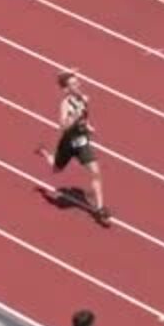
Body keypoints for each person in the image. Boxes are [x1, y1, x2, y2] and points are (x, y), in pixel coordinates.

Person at [35, 71, 109, 222]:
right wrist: (74, 118)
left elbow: (84, 117)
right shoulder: (65, 104)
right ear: (66, 89)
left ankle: (100, 209)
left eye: (77, 82)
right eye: (73, 84)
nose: (78, 85)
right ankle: (45, 153)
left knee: (96, 172)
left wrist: (87, 126)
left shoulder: (84, 99)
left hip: (82, 142)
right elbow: (63, 126)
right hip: (68, 144)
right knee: (56, 169)